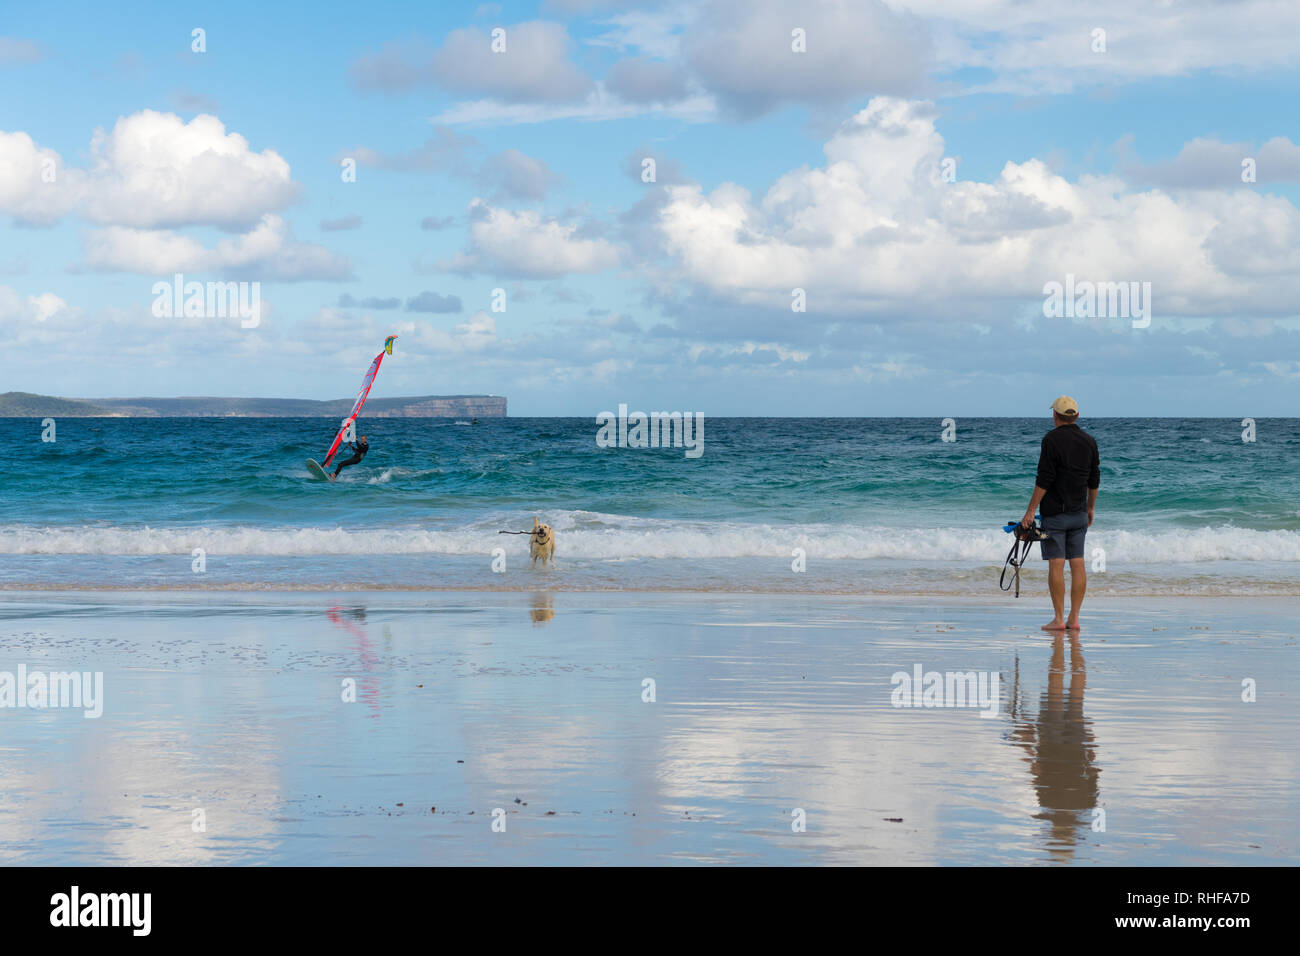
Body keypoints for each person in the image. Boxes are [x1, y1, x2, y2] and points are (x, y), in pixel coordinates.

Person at [1020, 397, 1100, 632]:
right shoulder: (1089, 441)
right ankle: (1074, 618)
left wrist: (1031, 509)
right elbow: (1094, 478)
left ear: (1055, 416)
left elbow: (1044, 478)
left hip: (1054, 513)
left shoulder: (1050, 440)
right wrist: (1091, 507)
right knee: (1078, 563)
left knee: (1056, 564)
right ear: (1075, 416)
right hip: (1079, 513)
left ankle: (1058, 619)